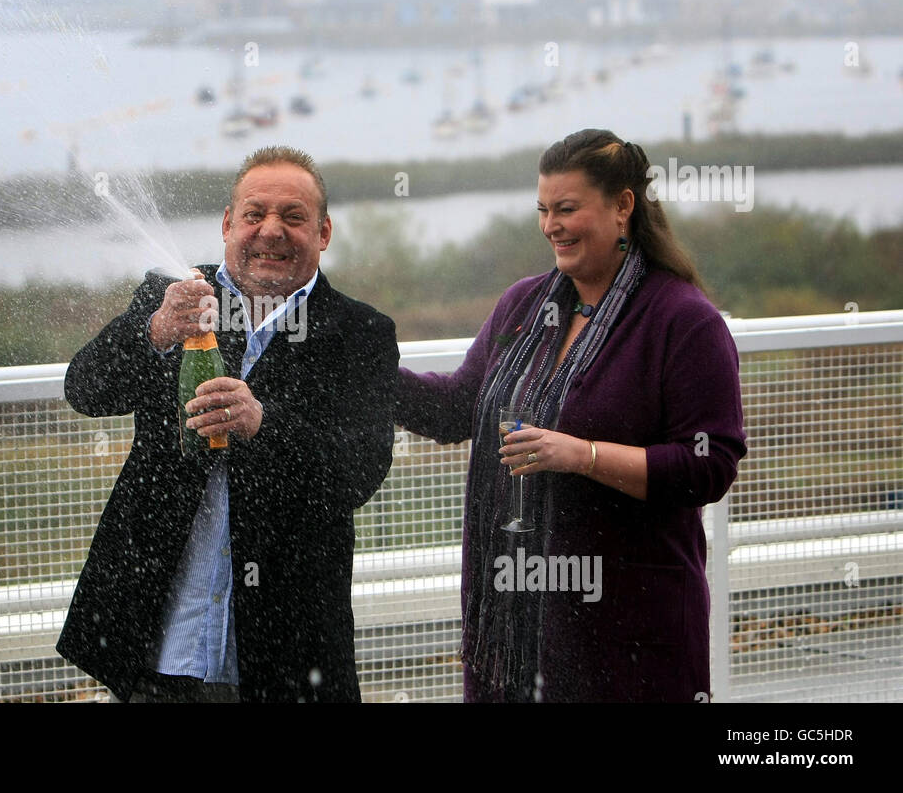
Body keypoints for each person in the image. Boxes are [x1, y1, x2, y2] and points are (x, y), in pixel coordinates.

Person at [396, 129, 746, 702]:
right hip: (516, 634)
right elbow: (456, 407)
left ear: (623, 206)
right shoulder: (523, 304)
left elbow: (709, 467)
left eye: (567, 208)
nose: (550, 225)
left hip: (629, 629)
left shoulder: (684, 321)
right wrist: (361, 371)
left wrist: (580, 455)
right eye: (542, 210)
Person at [57, 146, 398, 702]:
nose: (271, 231)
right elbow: (85, 390)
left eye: (293, 217)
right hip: (162, 644)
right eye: (254, 214)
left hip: (285, 655)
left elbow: (358, 472)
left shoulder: (359, 333)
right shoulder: (176, 298)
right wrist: (156, 330)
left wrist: (262, 422)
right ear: (226, 224)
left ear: (324, 232)